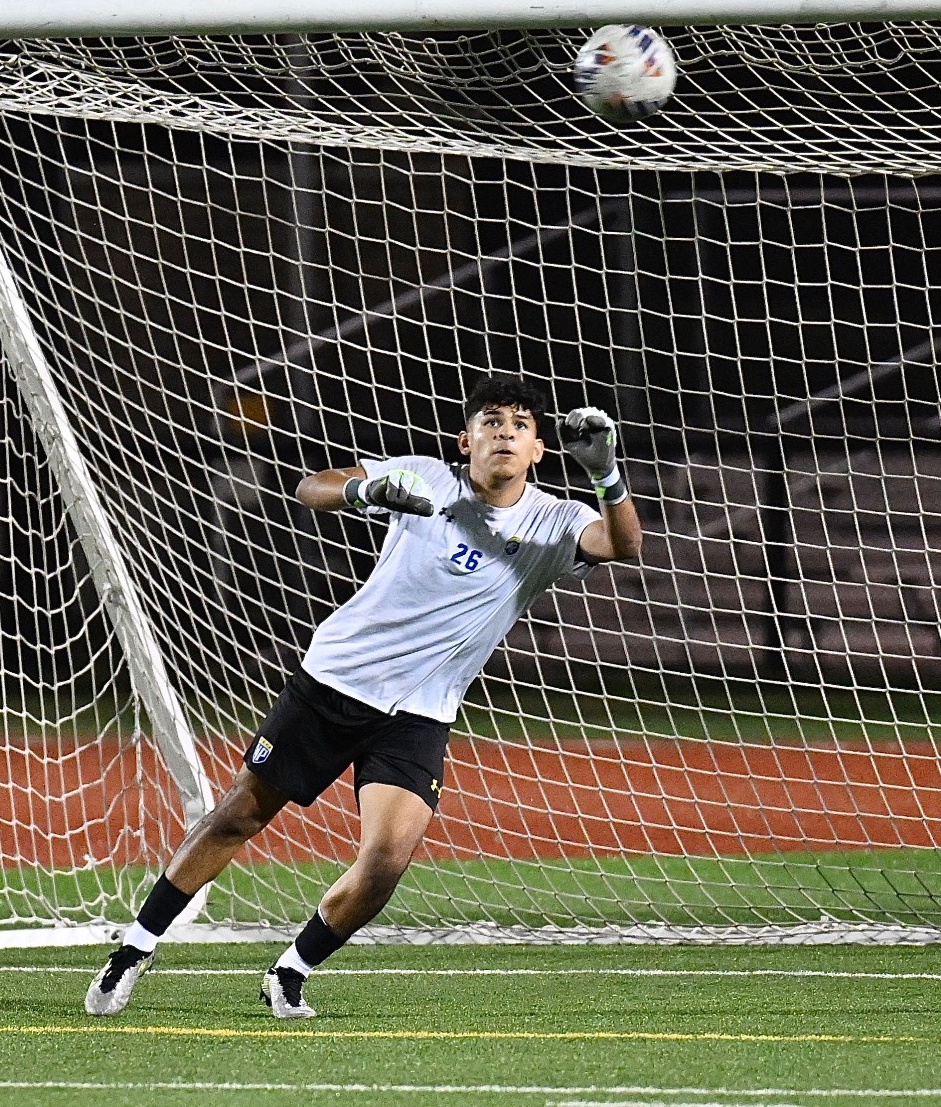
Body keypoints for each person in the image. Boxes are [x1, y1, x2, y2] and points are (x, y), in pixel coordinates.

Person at [85, 373, 643, 1019]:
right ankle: (134, 949)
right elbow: (309, 486)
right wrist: (362, 489)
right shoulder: (427, 478)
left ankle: (290, 971)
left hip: (420, 714)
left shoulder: (558, 517)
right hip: (335, 683)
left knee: (386, 861)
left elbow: (624, 544)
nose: (505, 434)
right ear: (465, 441)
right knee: (239, 815)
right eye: (491, 422)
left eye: (520, 426)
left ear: (539, 449)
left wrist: (606, 473)